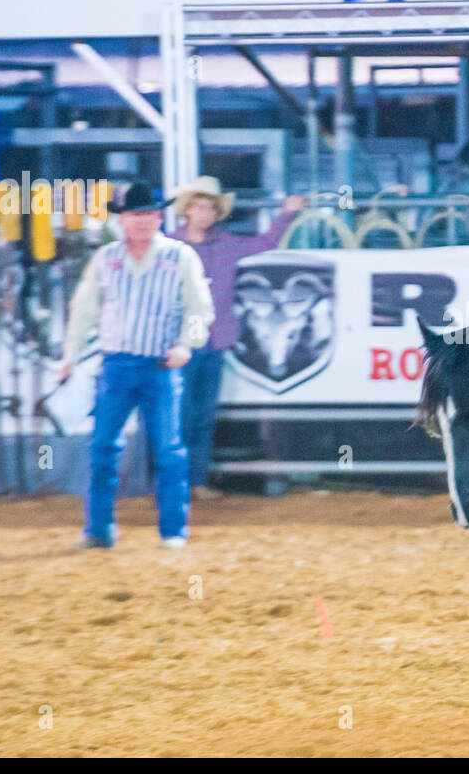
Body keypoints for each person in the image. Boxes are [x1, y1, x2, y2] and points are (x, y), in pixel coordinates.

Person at [61, 182, 214, 549]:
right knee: (103, 447)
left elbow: (200, 309)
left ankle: (173, 530)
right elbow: (84, 311)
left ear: (159, 218)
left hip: (160, 365)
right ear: (123, 219)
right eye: (135, 215)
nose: (142, 221)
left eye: (148, 214)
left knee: (168, 450)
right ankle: (99, 529)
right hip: (116, 365)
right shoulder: (106, 259)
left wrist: (186, 344)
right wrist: (69, 355)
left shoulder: (180, 257)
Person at [167, 175, 305, 500]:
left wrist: (286, 215)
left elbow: (266, 242)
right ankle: (175, 483)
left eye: (210, 208)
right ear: (187, 211)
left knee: (200, 417)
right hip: (182, 343)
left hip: (210, 342)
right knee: (181, 416)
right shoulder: (170, 249)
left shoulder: (221, 244)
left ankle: (193, 482)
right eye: (199, 207)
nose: (205, 213)